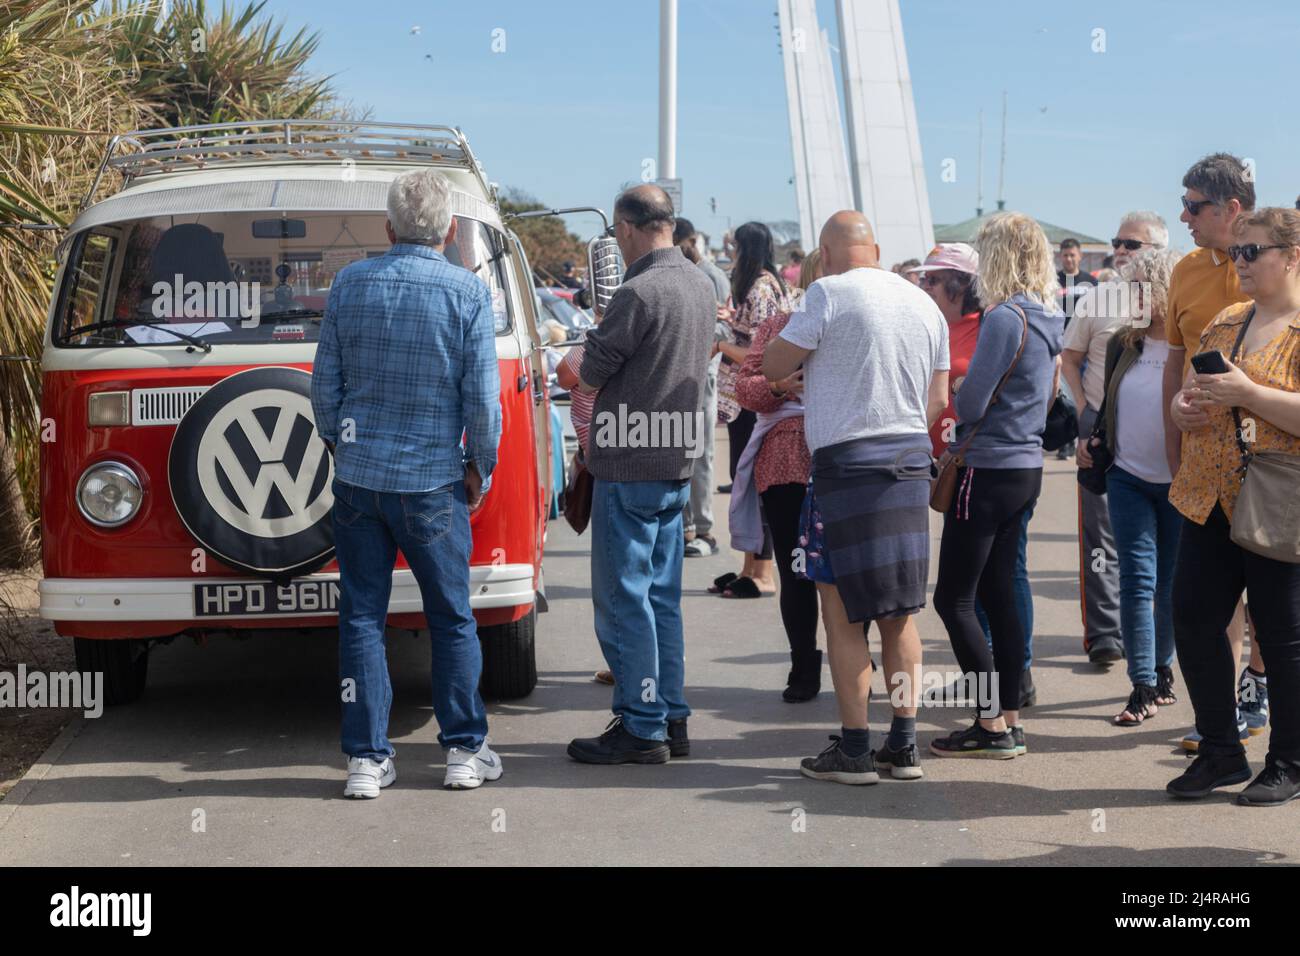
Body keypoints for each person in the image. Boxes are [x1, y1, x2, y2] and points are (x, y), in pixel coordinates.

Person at [311, 168, 503, 795]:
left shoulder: (349, 284)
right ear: (449, 230)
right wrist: (480, 464)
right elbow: (482, 399)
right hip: (431, 482)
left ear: (387, 228)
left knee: (362, 616)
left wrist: (344, 446)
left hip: (360, 483)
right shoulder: (467, 293)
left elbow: (325, 388)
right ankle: (463, 752)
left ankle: (365, 760)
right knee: (450, 618)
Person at [763, 211, 949, 784]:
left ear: (824, 252)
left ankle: (853, 750)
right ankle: (905, 743)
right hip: (910, 463)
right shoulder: (923, 302)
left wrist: (804, 370)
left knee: (841, 614)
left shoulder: (827, 292)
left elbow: (773, 366)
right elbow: (939, 401)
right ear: (875, 246)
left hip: (846, 468)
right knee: (899, 614)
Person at [566, 184, 716, 765]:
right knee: (661, 598)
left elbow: (591, 373)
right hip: (675, 455)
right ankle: (669, 714)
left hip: (629, 458)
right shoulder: (699, 284)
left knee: (624, 597)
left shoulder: (639, 290)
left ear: (627, 228)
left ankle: (642, 724)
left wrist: (596, 333)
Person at [1165, 207, 1300, 805]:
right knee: (1193, 621)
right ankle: (1221, 750)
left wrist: (1248, 394)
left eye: (1252, 251)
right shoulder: (1227, 318)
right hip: (1209, 497)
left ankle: (1289, 762)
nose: (1238, 262)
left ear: (1291, 256)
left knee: (1282, 634)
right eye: (1236, 251)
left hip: (1278, 504)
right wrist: (1182, 410)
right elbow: (1187, 394)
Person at [930, 212, 1064, 759]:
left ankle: (990, 724)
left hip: (986, 467)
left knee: (953, 599)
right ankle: (1006, 716)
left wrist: (959, 389)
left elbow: (972, 402)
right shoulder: (1047, 315)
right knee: (999, 593)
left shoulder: (1005, 317)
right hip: (1024, 466)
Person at [1161, 152, 1265, 752]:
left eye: (1194, 205)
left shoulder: (1282, 262)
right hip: (1205, 463)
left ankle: (1261, 683)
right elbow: (1175, 364)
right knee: (1208, 599)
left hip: (1277, 462)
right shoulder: (1186, 271)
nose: (1184, 216)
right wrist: (1173, 441)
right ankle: (1219, 718)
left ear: (1232, 208)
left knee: (1273, 600)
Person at [909, 245, 1036, 708]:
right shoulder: (933, 326)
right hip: (954, 467)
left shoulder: (993, 325)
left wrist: (963, 394)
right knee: (982, 586)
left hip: (987, 467)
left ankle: (1010, 684)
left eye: (933, 279)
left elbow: (983, 395)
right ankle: (990, 682)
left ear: (961, 284)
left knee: (991, 584)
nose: (924, 286)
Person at [1076, 248, 1184, 725]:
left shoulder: (1193, 343)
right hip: (1127, 477)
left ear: (1166, 290)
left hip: (1182, 483)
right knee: (1138, 580)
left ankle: (1163, 671)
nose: (1131, 297)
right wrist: (1093, 439)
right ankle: (1141, 684)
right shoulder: (1125, 343)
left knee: (1170, 585)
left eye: (1140, 288)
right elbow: (1106, 404)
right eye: (1127, 288)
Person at [1063, 212, 1169, 666]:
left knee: (1161, 553)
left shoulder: (1177, 297)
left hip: (1165, 444)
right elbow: (1069, 359)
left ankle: (1154, 647)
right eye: (1117, 242)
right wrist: (1086, 414)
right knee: (1101, 540)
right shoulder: (1098, 298)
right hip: (1102, 437)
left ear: (1158, 251)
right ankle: (1106, 634)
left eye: (1133, 243)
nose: (1121, 250)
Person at [734, 251, 821, 702]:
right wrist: (779, 386)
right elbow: (744, 387)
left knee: (844, 574)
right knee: (797, 571)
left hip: (840, 460)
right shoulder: (777, 327)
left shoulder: (859, 326)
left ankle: (854, 664)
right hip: (785, 461)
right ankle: (804, 665)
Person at [713, 222, 791, 598]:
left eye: (734, 246)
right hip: (747, 398)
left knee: (754, 484)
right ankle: (750, 566)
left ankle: (762, 573)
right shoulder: (767, 284)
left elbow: (761, 354)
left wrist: (722, 346)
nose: (731, 253)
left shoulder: (760, 287)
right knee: (745, 482)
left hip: (753, 396)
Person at [674, 217, 728, 558]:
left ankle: (704, 529)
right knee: (687, 450)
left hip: (702, 373)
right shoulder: (700, 273)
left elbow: (719, 330)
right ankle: (689, 523)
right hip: (691, 372)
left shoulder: (709, 277)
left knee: (701, 452)